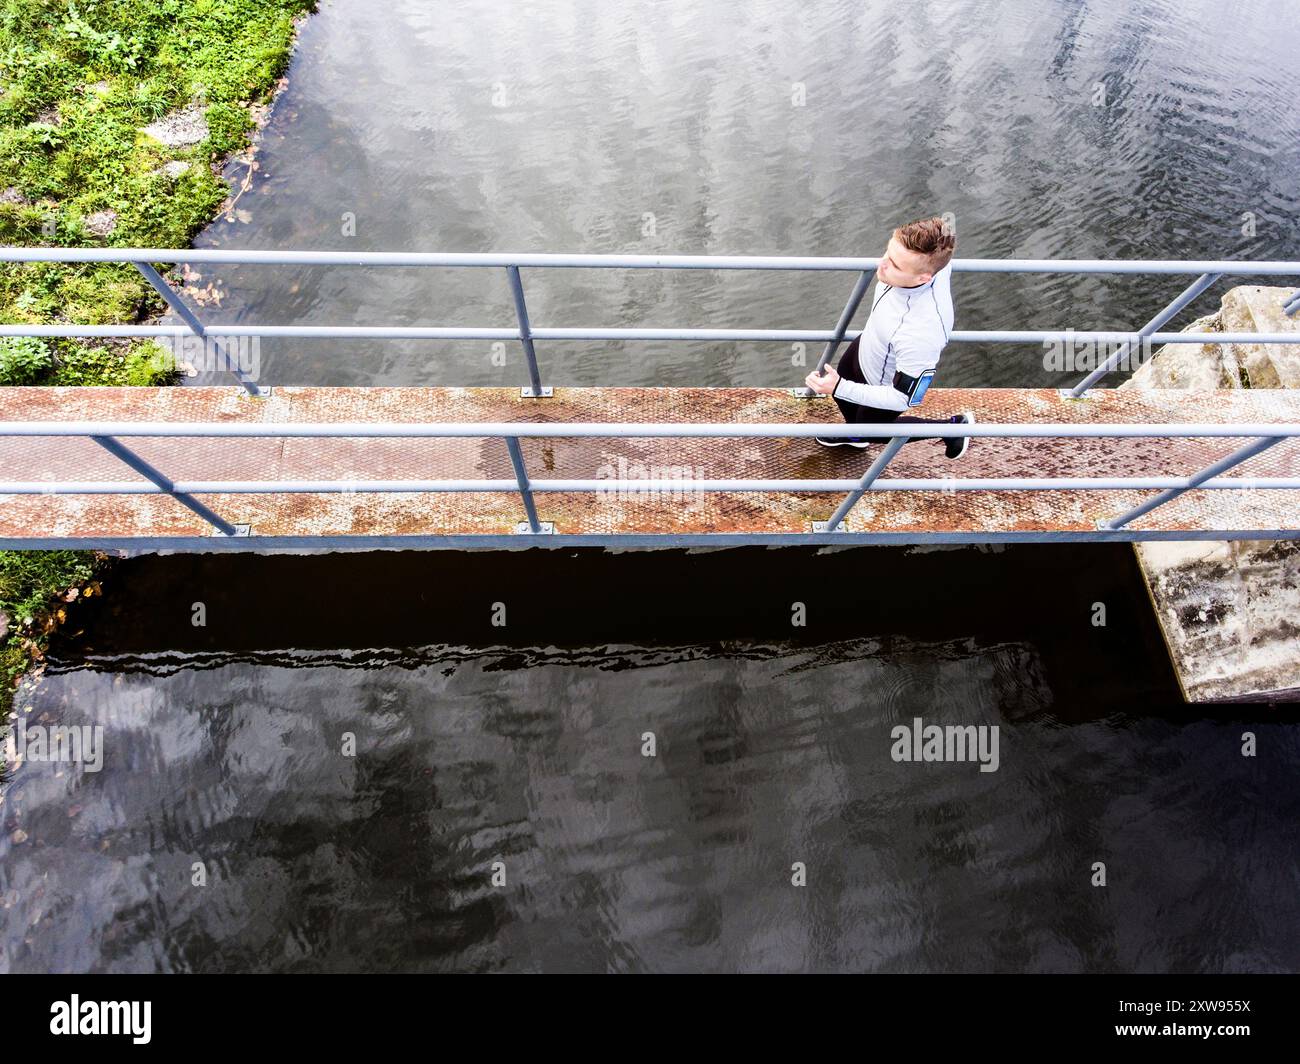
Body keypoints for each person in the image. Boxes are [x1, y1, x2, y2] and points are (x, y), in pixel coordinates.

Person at [803, 217, 973, 458]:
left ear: (923, 278)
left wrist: (840, 386)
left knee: (874, 430)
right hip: (868, 345)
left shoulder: (921, 333)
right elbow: (941, 241)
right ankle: (855, 434)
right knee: (848, 406)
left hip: (882, 383)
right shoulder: (930, 261)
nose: (880, 264)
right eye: (887, 252)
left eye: (895, 264)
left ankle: (952, 428)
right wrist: (842, 387)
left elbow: (902, 398)